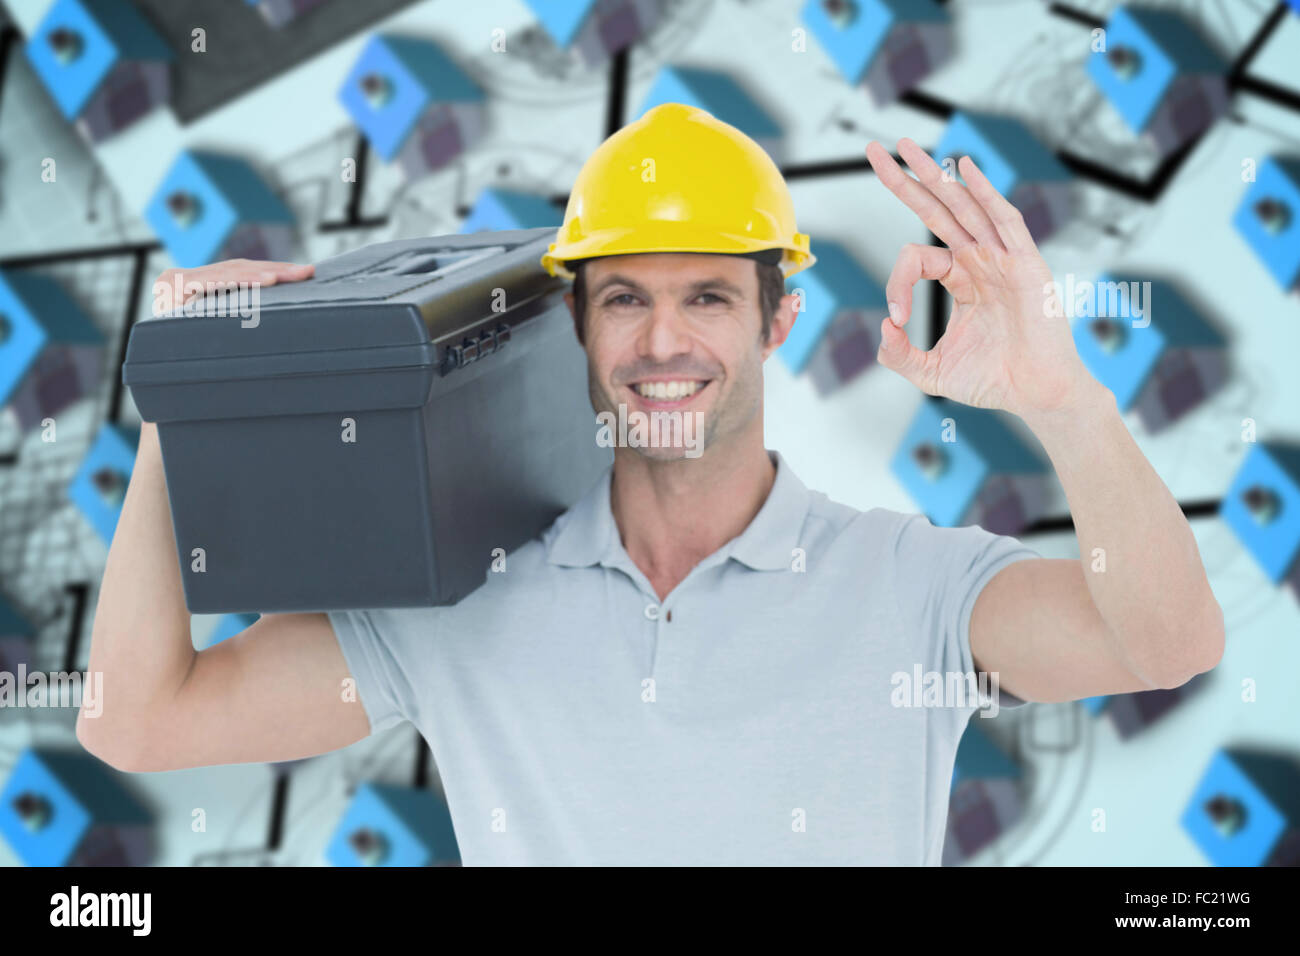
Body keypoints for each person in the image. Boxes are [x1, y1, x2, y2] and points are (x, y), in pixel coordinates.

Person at [78, 103, 1223, 865]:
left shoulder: (911, 586)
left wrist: (1063, 396)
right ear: (577, 320)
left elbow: (1164, 643)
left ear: (777, 318)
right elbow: (138, 720)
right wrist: (182, 394)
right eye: (625, 297)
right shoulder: (460, 600)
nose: (662, 340)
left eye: (708, 297)